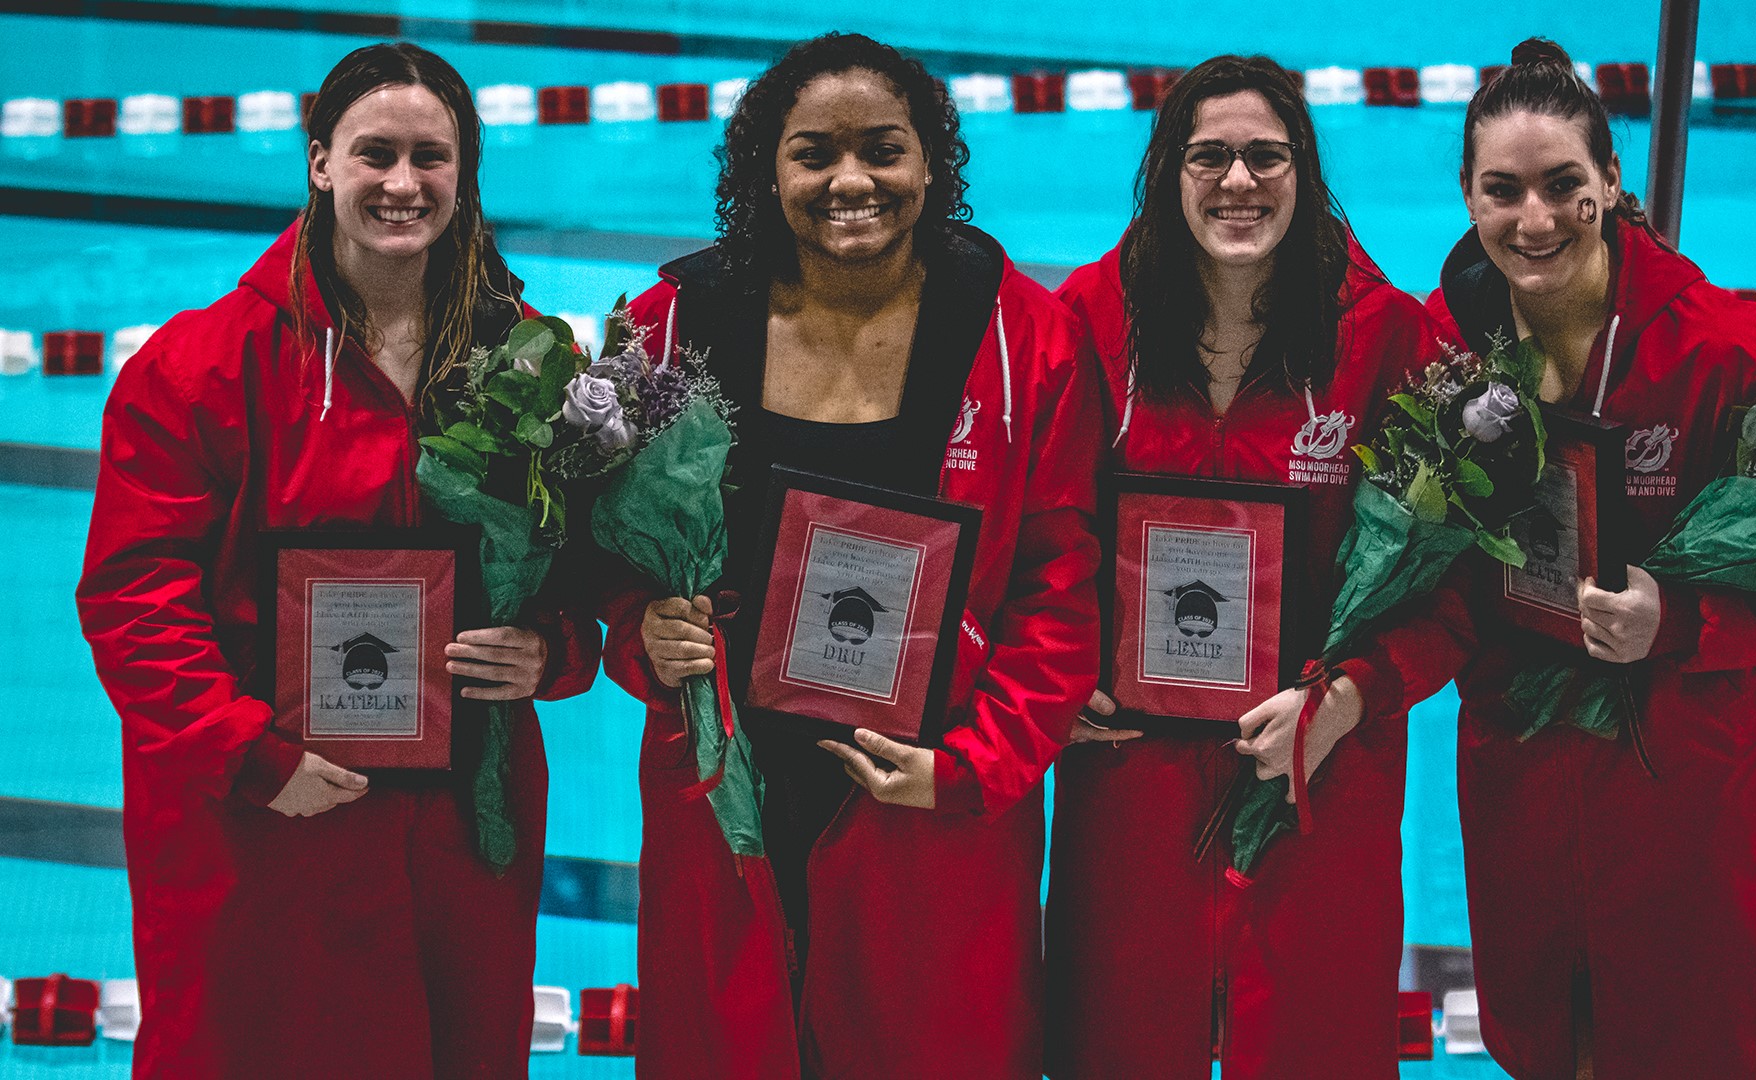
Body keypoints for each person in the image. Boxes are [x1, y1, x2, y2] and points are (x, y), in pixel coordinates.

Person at [1303, 37, 1756, 1080]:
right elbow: (1443, 577)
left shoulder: (1727, 351)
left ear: (1612, 183)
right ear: (1466, 193)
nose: (1534, 220)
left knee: (1703, 1046)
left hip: (1692, 782)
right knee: (1556, 1043)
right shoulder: (1446, 359)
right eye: (1503, 191)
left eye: (1563, 187)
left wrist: (1673, 619)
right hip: (1529, 771)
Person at [75, 43, 599, 1078]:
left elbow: (587, 567)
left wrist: (556, 651)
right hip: (266, 818)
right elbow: (137, 600)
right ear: (320, 164)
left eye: (430, 158)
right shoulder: (204, 364)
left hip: (459, 815)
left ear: (464, 174)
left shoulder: (529, 358)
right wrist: (252, 759)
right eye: (375, 155)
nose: (403, 184)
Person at [598, 32, 1100, 1080]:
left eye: (884, 150)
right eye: (814, 154)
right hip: (726, 781)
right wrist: (643, 632)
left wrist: (968, 771)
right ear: (766, 170)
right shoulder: (670, 325)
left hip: (927, 794)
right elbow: (602, 556)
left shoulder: (1025, 339)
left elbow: (1063, 596)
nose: (852, 182)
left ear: (933, 163)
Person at [1044, 55, 1450, 1078]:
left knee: (1312, 1045)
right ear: (1167, 174)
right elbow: (1026, 538)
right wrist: (1058, 672)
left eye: (1266, 157)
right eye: (1210, 157)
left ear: (1305, 173)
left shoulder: (1382, 337)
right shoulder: (1088, 323)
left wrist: (1356, 696)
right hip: (1128, 767)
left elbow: (1458, 588)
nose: (1238, 183)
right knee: (1119, 1043)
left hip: (1320, 767)